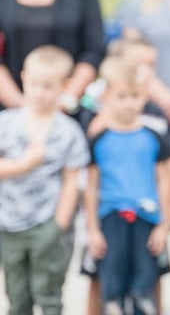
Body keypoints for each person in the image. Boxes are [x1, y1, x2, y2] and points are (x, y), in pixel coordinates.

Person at [0, 45, 89, 315]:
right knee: (17, 294)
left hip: (48, 226)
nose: (39, 92)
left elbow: (72, 180)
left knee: (48, 292)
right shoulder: (6, 123)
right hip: (9, 224)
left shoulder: (68, 131)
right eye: (35, 84)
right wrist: (23, 165)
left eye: (48, 86)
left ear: (64, 86)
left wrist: (58, 224)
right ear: (24, 78)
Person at [84, 55, 170, 315]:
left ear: (145, 96)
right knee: (111, 289)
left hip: (147, 218)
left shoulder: (154, 137)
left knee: (144, 288)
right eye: (121, 96)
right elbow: (91, 186)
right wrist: (92, 229)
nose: (129, 103)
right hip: (110, 219)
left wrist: (163, 224)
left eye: (135, 96)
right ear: (107, 96)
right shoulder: (98, 138)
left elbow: (164, 183)